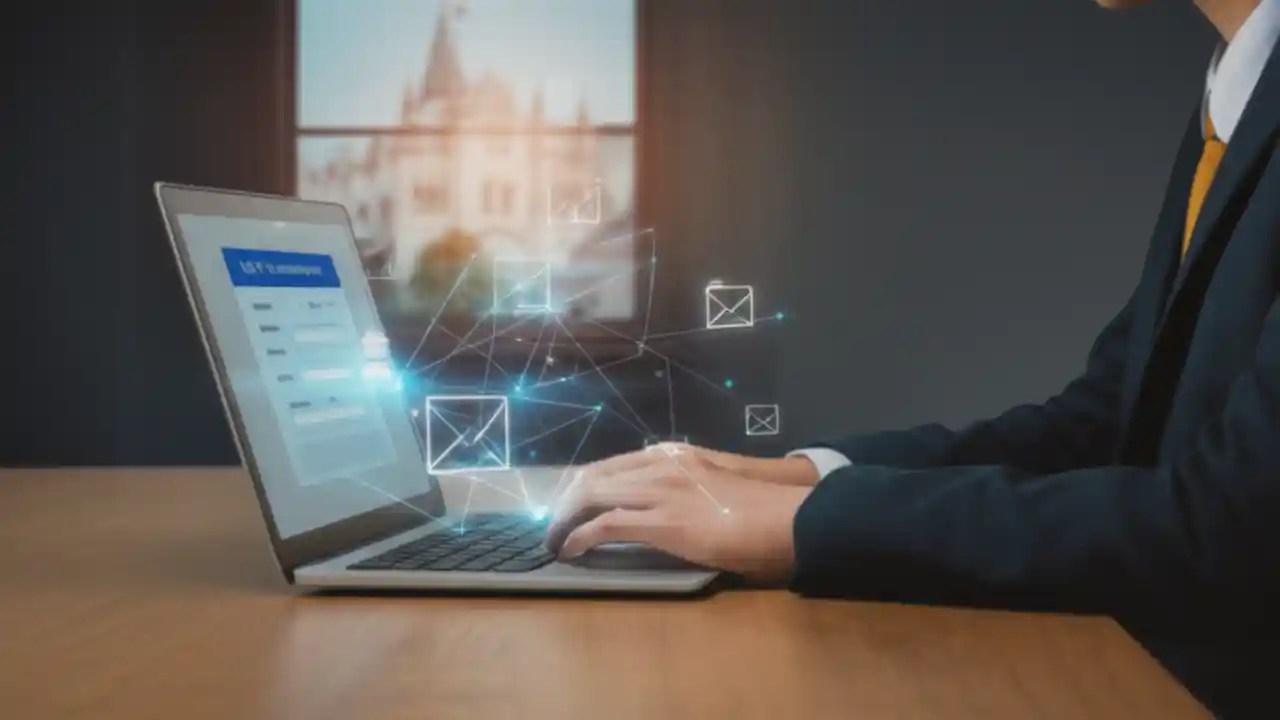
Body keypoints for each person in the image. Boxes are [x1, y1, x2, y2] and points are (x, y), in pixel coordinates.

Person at [545, 0, 1280, 715]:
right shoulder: (1239, 95)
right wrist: (794, 478)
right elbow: (1105, 425)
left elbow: (1234, 529)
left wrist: (799, 523)